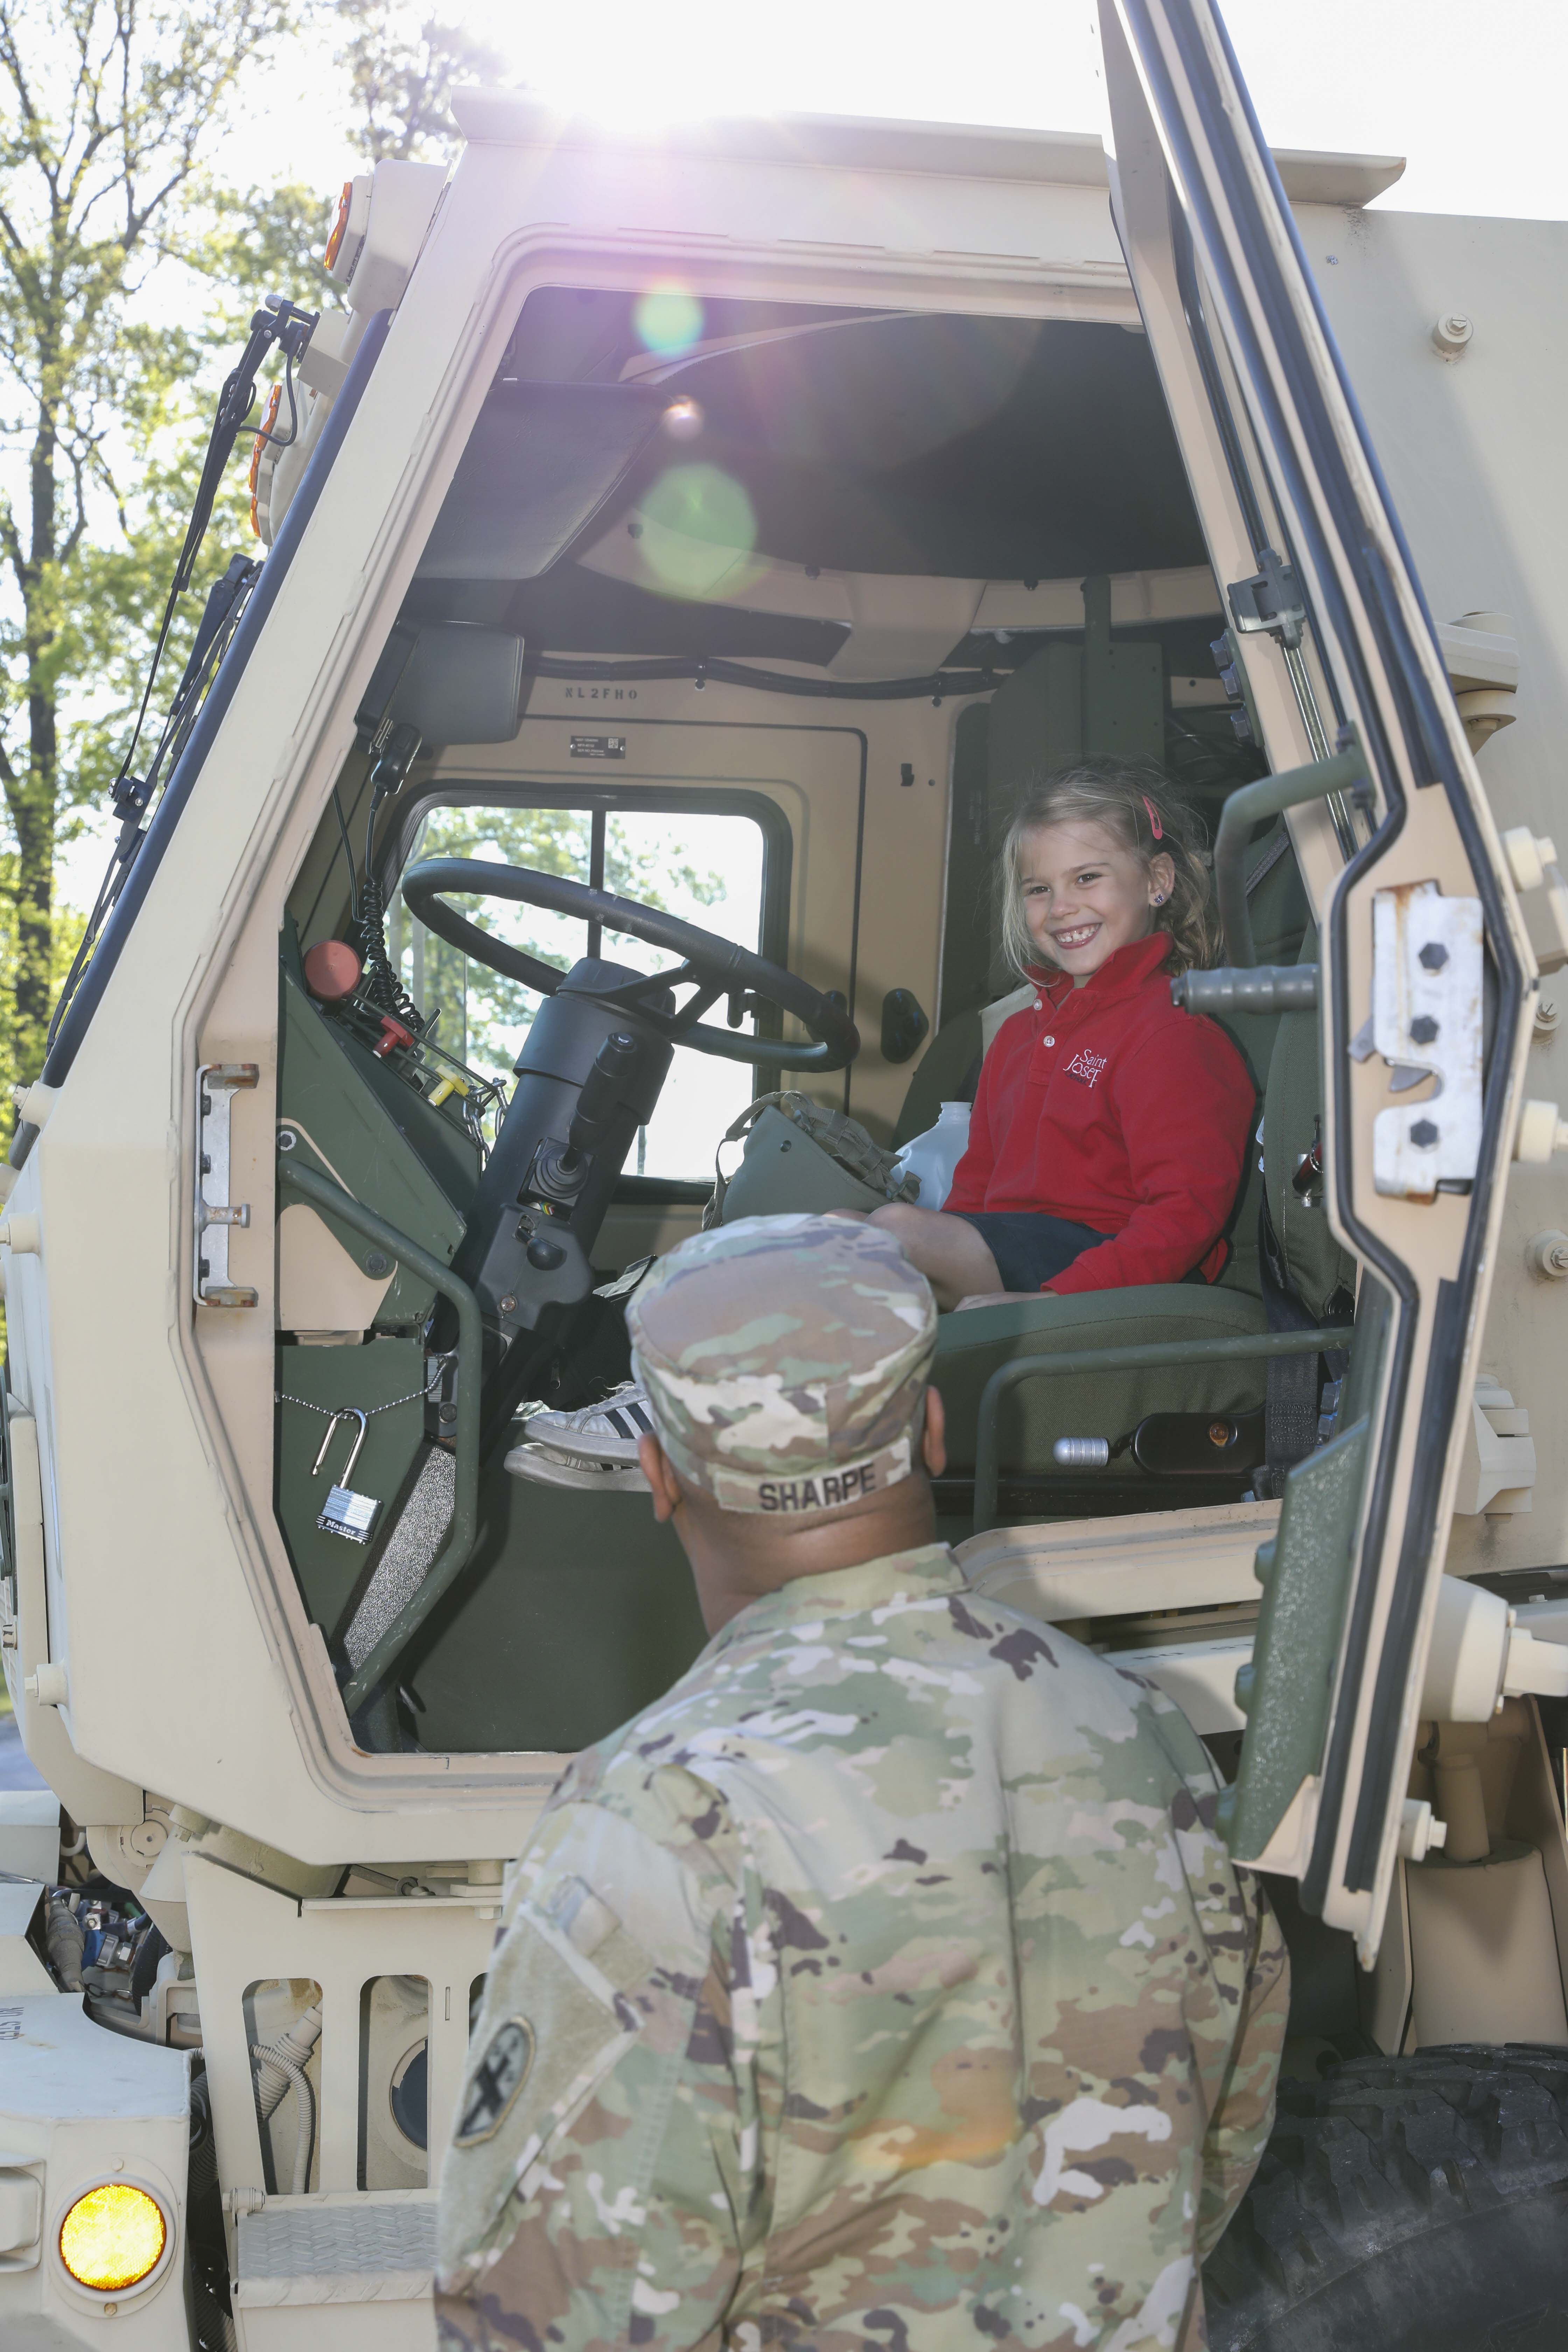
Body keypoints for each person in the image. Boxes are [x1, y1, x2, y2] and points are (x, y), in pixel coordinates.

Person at [435, 1214, 1288, 2352]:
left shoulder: (659, 1820)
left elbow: (541, 2318)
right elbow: (1225, 2133)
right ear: (931, 1432)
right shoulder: (1140, 1730)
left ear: (657, 1474)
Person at [872, 759, 1256, 1310]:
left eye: (1087, 877)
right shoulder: (1016, 1037)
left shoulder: (1174, 1035)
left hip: (1105, 1269)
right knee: (837, 1232)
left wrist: (1057, 1302)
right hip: (1009, 1247)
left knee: (889, 1233)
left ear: (1157, 882)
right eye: (1038, 889)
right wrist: (946, 1253)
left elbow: (1183, 1216)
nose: (1061, 908)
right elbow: (977, 1183)